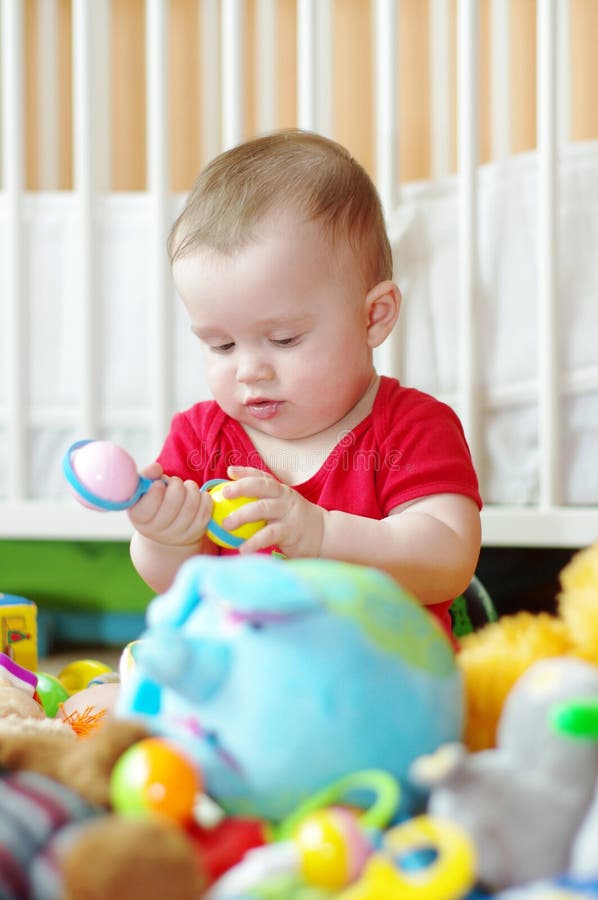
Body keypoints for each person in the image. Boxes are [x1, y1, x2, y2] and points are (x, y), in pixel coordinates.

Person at [128, 129, 482, 635]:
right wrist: (165, 537)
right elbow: (176, 584)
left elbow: (447, 559)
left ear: (374, 317)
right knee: (103, 702)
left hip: (376, 678)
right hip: (240, 674)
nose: (249, 369)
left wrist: (322, 533)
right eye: (221, 346)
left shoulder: (411, 428)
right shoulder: (202, 438)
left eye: (284, 339)